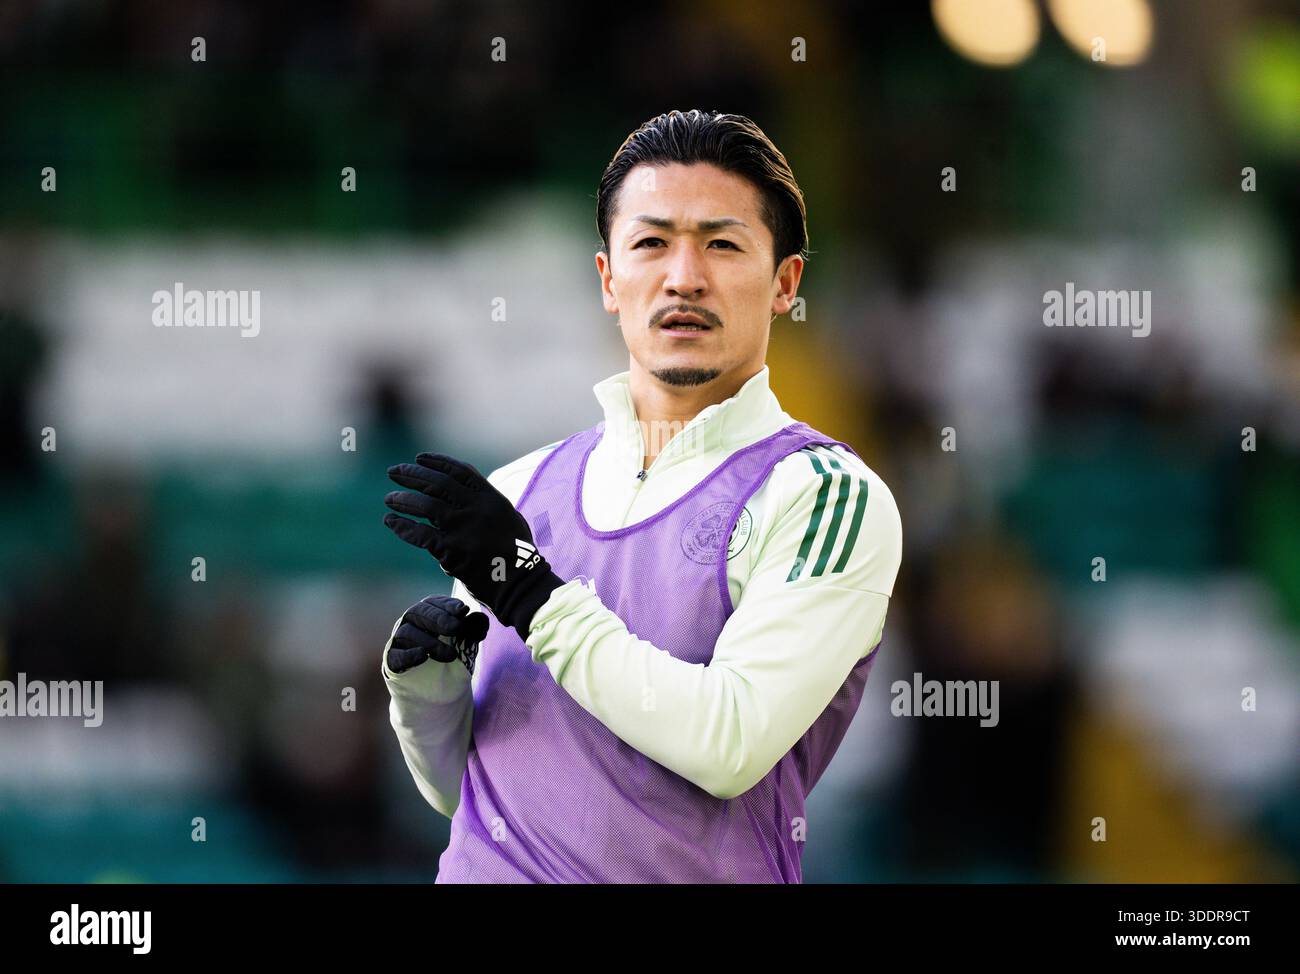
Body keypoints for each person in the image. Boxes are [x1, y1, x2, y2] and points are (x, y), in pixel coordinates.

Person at [380, 109, 902, 882]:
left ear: (786, 283)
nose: (684, 276)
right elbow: (469, 792)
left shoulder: (826, 496)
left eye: (722, 244)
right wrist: (424, 698)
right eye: (652, 243)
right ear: (609, 280)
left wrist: (530, 591)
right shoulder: (519, 489)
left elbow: (728, 745)